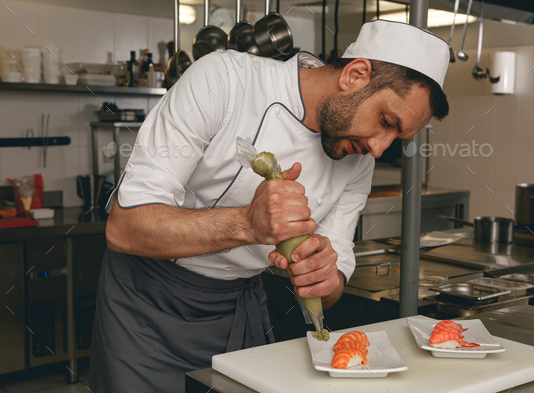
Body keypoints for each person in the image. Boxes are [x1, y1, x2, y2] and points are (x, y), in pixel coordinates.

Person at [89, 20, 449, 392]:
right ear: (355, 74)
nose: (380, 147)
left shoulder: (359, 162)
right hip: (144, 308)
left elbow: (337, 263)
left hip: (235, 308)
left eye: (396, 136)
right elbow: (124, 226)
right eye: (386, 122)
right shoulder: (225, 79)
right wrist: (246, 224)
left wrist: (324, 277)